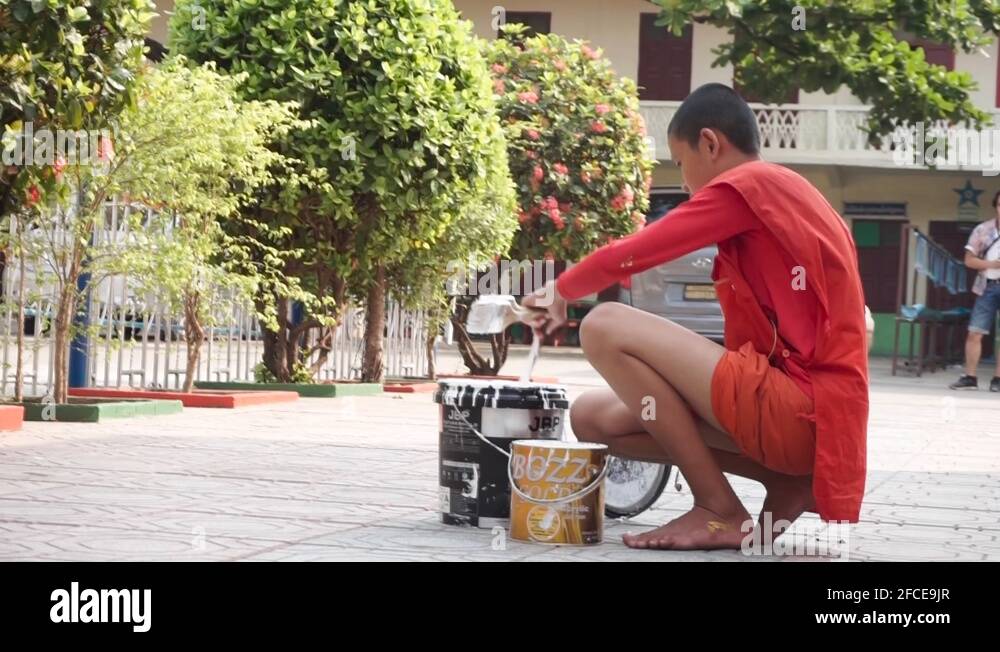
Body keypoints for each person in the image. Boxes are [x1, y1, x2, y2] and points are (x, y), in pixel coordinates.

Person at [522, 83, 869, 550]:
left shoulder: (751, 185)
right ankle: (785, 482)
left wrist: (561, 289)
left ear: (710, 143)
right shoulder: (789, 193)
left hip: (802, 410)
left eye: (682, 164)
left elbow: (639, 250)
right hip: (801, 419)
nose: (685, 184)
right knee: (593, 419)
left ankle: (717, 508)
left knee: (604, 324)